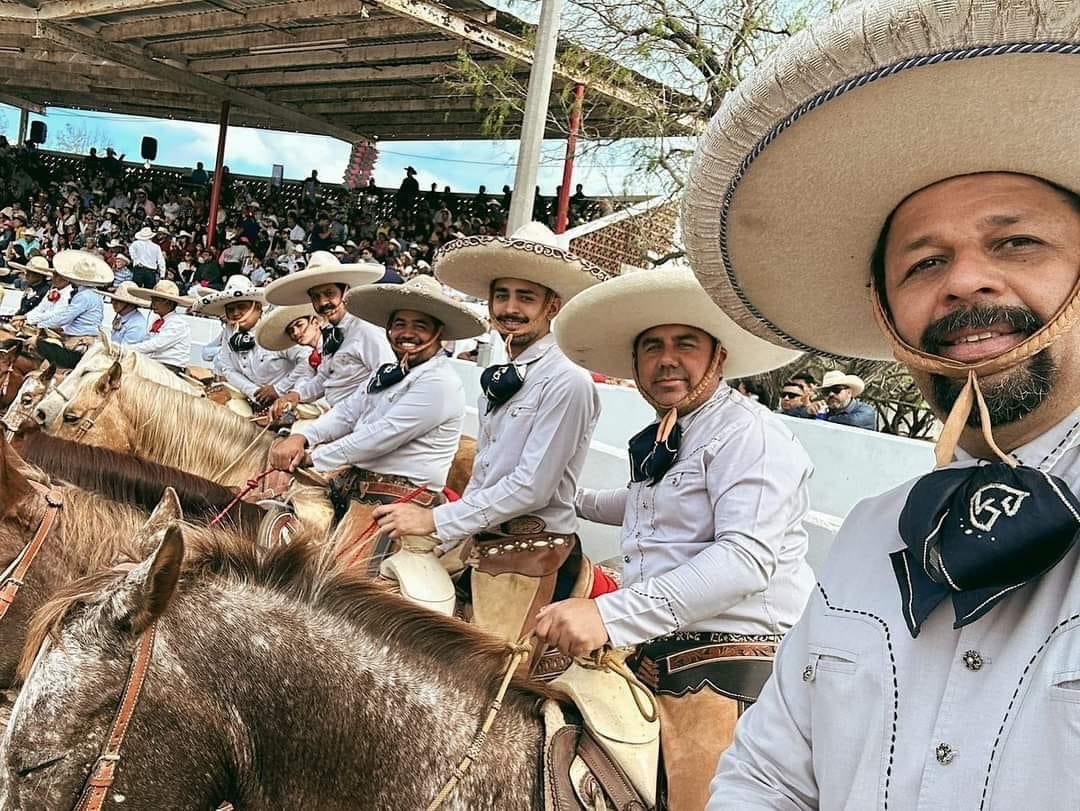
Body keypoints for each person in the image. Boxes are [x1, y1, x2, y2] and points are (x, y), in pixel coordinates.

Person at [679, 1, 1080, 807]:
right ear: (888, 318)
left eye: (1015, 242)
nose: (966, 280)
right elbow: (766, 774)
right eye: (925, 262)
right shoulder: (869, 536)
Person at [548, 265, 810, 808]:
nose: (667, 359)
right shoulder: (676, 430)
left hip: (730, 660)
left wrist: (607, 614)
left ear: (719, 355)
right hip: (658, 643)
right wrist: (570, 499)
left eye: (685, 343)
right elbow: (650, 506)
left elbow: (743, 559)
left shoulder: (750, 434)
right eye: (652, 347)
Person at [372, 222, 608, 673]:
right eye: (503, 296)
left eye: (526, 297)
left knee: (485, 680)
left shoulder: (567, 381)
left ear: (552, 305)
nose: (511, 308)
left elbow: (532, 488)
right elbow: (487, 475)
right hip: (482, 541)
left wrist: (436, 519)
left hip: (533, 552)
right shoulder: (508, 371)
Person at [268, 276, 487, 611]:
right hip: (356, 487)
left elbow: (381, 437)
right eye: (400, 323)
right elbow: (347, 412)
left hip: (398, 499)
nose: (407, 333)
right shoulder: (386, 371)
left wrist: (314, 457)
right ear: (389, 329)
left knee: (340, 597)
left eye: (420, 325)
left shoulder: (440, 382)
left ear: (439, 332)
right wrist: (302, 435)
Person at [264, 251, 392, 416]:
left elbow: (385, 379)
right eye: (316, 297)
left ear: (345, 291)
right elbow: (324, 378)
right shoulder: (331, 334)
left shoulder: (366, 329)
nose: (323, 302)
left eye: (329, 293)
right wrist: (296, 395)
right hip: (337, 417)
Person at [198, 276, 313, 409]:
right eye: (230, 309)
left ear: (258, 307)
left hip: (291, 403)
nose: (236, 313)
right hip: (253, 401)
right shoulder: (229, 332)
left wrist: (279, 389)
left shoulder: (277, 328)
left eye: (242, 307)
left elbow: (307, 360)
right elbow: (228, 369)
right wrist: (254, 392)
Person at [26, 250, 112, 349]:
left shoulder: (84, 295)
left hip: (79, 337)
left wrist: (41, 325)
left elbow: (64, 317)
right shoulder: (93, 293)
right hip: (79, 333)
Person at [127, 280, 193, 370]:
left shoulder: (178, 323)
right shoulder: (157, 320)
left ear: (169, 303)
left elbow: (157, 344)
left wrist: (127, 348)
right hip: (155, 364)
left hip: (170, 367)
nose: (152, 304)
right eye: (153, 300)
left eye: (157, 300)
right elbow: (148, 342)